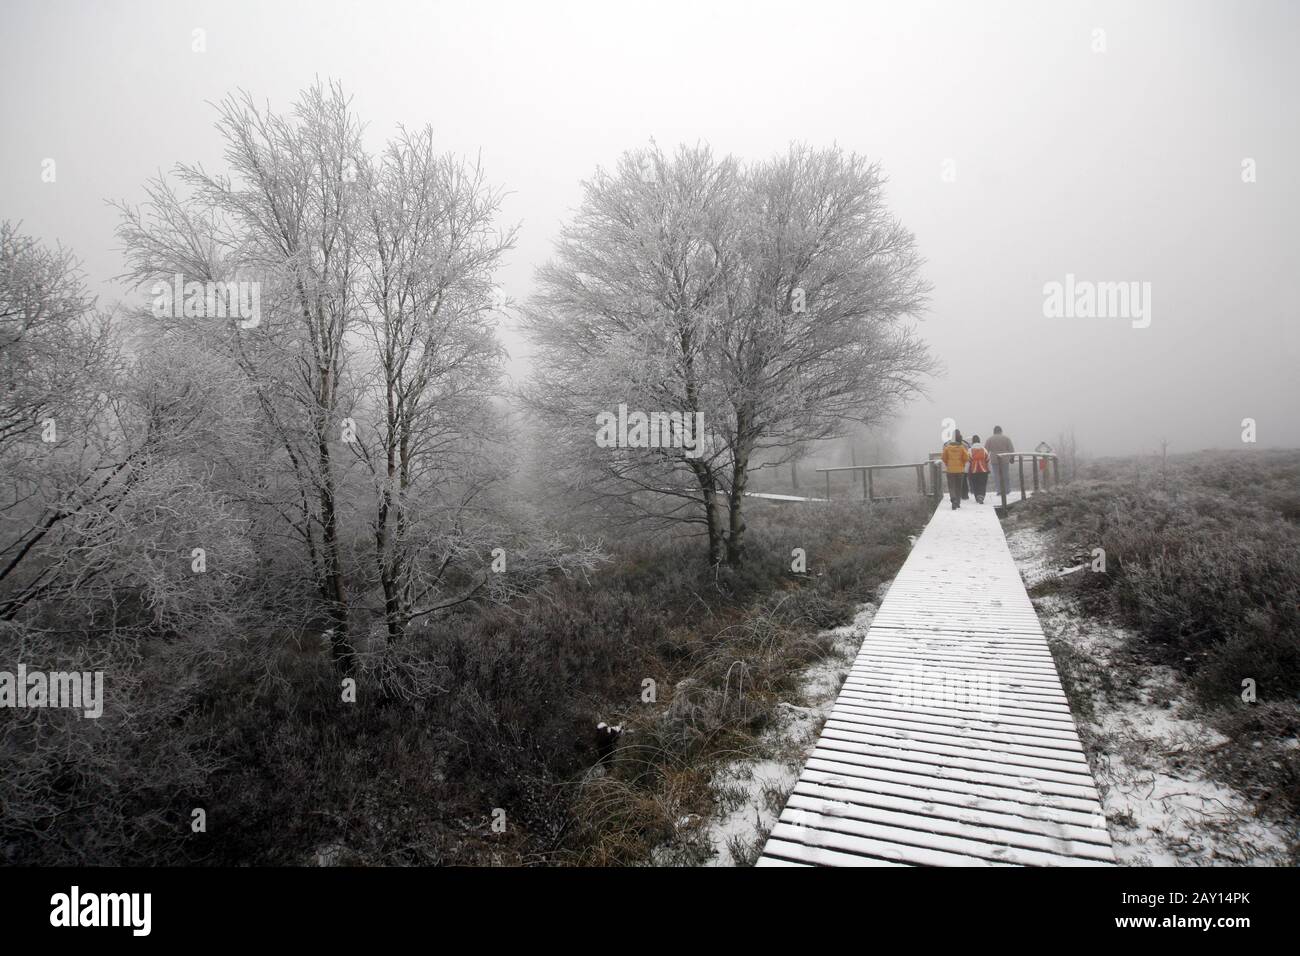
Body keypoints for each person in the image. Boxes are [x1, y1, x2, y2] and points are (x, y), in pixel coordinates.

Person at [941, 429, 970, 510]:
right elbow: (966, 457)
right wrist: (963, 464)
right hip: (960, 470)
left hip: (950, 470)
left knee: (951, 486)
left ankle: (953, 498)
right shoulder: (961, 448)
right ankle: (957, 502)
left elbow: (943, 457)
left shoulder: (947, 448)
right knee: (958, 487)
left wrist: (947, 463)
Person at [984, 425, 1014, 498]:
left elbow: (985, 451)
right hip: (1005, 458)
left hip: (994, 459)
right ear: (1001, 431)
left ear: (994, 431)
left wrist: (985, 460)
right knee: (1005, 475)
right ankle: (1007, 489)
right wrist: (1012, 458)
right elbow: (1011, 449)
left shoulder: (989, 439)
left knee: (997, 476)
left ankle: (999, 490)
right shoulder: (1006, 438)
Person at [968, 434, 990, 503]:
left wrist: (966, 471)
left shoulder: (970, 450)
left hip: (973, 470)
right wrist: (988, 469)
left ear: (972, 442)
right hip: (983, 470)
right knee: (982, 484)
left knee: (975, 484)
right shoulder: (984, 450)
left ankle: (977, 496)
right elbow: (988, 460)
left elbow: (968, 461)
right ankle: (981, 496)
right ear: (979, 441)